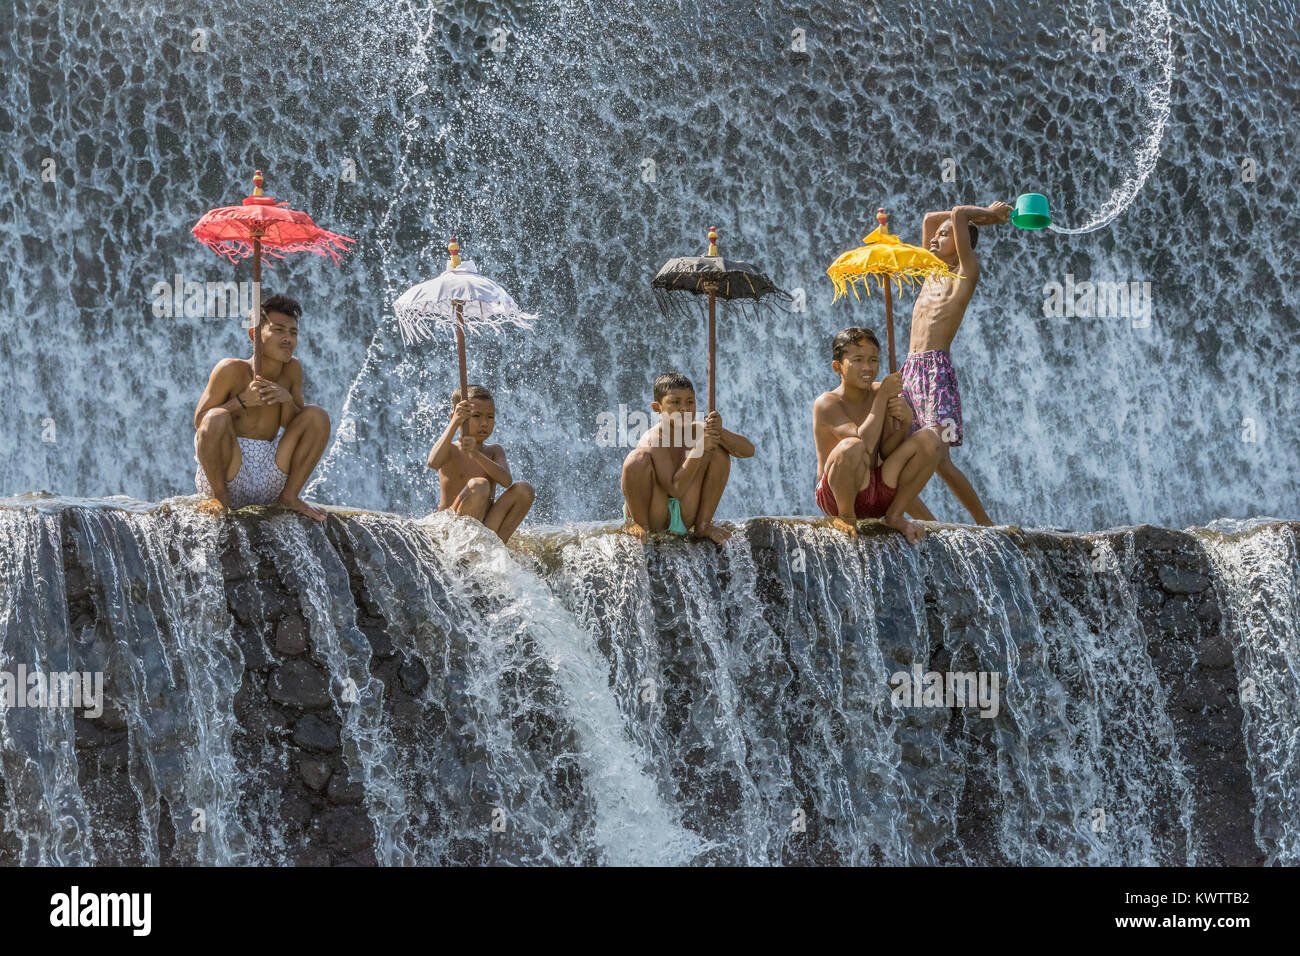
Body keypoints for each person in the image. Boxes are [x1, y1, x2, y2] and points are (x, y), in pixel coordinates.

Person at [902, 201, 1012, 526]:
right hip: (909, 370)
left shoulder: (965, 276)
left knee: (940, 458)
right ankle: (930, 525)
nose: (935, 238)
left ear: (962, 245)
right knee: (895, 449)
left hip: (936, 372)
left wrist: (988, 217)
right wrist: (973, 218)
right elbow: (929, 218)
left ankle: (984, 522)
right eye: (937, 236)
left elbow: (958, 214)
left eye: (945, 235)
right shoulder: (929, 272)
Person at [193, 293, 331, 520]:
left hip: (271, 469)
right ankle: (219, 499)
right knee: (216, 416)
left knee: (317, 415)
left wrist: (285, 399)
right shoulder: (230, 369)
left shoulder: (292, 370)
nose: (288, 338)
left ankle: (290, 496)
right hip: (229, 467)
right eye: (278, 330)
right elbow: (201, 422)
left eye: (293, 332)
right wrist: (241, 402)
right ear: (254, 335)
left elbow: (295, 426)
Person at [813, 328, 942, 543]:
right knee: (851, 447)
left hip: (879, 490)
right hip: (839, 496)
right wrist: (882, 397)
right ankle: (846, 518)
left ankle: (895, 514)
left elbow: (886, 451)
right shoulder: (827, 403)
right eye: (857, 360)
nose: (867, 367)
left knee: (930, 439)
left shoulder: (880, 390)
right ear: (837, 367)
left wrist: (904, 423)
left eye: (873, 360)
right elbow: (864, 444)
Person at [621, 372, 753, 544]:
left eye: (690, 402)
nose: (684, 408)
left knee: (719, 452)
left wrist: (720, 432)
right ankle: (638, 526)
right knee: (635, 460)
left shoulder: (699, 431)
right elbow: (675, 489)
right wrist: (699, 449)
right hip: (655, 515)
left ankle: (703, 525)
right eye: (675, 402)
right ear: (657, 407)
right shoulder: (654, 439)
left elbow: (748, 451)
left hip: (686, 513)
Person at [427, 384, 534, 544]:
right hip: (453, 528)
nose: (484, 423)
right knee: (479, 485)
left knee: (524, 490)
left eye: (490, 417)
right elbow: (433, 463)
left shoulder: (494, 451)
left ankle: (497, 546)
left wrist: (476, 455)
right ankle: (465, 548)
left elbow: (506, 481)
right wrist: (454, 423)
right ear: (457, 417)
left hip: (485, 528)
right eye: (476, 416)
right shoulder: (449, 448)